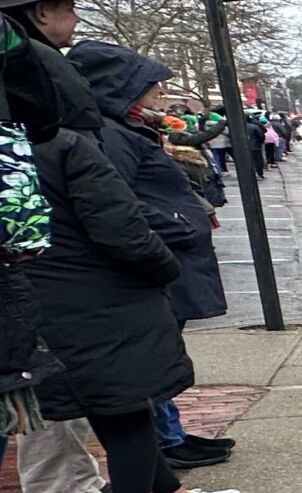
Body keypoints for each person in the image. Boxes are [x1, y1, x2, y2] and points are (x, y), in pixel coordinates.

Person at [26, 37, 238, 493]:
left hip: (53, 299)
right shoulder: (73, 147)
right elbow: (121, 225)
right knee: (125, 408)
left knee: (117, 408)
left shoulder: (24, 152)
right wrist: (164, 265)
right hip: (101, 297)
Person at [68, 40, 234, 464]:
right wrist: (176, 225)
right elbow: (116, 200)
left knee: (161, 348)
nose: (158, 95)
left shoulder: (124, 128)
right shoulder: (112, 134)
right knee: (151, 352)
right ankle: (164, 440)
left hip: (165, 245)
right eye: (151, 87)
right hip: (156, 250)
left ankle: (170, 433)